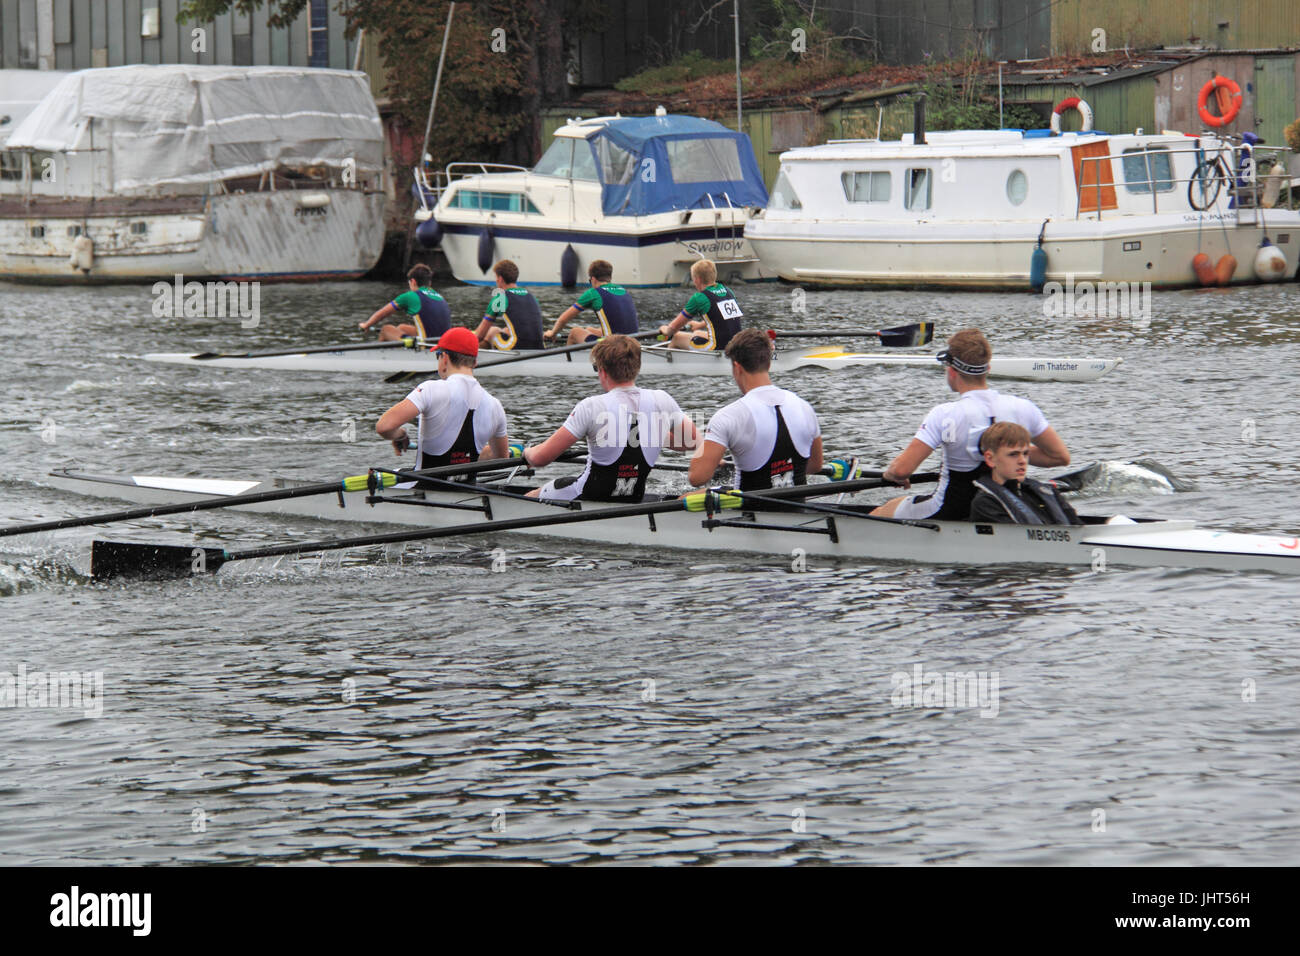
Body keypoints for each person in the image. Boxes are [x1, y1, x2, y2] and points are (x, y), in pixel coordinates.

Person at [872, 328, 1070, 519]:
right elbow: (1059, 457)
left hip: (950, 510)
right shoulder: (1023, 408)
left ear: (951, 371)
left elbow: (902, 470)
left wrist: (892, 475)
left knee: (882, 511)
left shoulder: (944, 414)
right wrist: (1009, 452)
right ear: (988, 369)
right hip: (1004, 507)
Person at [520, 334, 698, 502]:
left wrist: (527, 452)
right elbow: (692, 443)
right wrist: (647, 433)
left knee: (529, 496)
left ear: (603, 371)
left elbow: (540, 459)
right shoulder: (663, 399)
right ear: (637, 367)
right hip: (632, 498)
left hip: (588, 495)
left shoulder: (591, 406)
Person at [688, 328, 823, 490]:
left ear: (737, 367)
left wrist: (707, 448)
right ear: (769, 362)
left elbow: (697, 477)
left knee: (685, 498)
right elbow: (816, 466)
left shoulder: (728, 416)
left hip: (748, 512)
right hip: (800, 511)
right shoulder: (804, 407)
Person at [374, 327, 509, 482]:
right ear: (475, 363)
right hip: (466, 494)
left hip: (424, 489)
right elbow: (500, 457)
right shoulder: (495, 405)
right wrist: (463, 458)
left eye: (437, 356)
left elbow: (384, 427)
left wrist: (400, 435)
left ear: (444, 358)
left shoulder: (430, 389)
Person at [969, 422, 1082, 525]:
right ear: (990, 459)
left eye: (1025, 454)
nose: (1022, 461)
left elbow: (1078, 528)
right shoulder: (985, 504)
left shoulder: (1049, 491)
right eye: (1013, 454)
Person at [545, 259, 639, 345]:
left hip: (613, 347)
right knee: (589, 330)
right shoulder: (622, 290)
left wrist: (552, 333)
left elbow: (563, 319)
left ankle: (569, 362)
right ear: (609, 277)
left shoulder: (593, 293)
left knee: (575, 332)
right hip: (633, 343)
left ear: (593, 279)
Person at [658, 259, 744, 351]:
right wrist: (700, 324)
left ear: (698, 279)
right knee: (697, 333)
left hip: (718, 347)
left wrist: (664, 330)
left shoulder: (700, 298)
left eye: (693, 278)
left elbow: (673, 328)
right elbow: (726, 317)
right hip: (735, 344)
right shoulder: (728, 291)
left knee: (676, 337)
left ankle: (668, 361)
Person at [359, 264, 451, 342]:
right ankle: (404, 344)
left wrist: (366, 325)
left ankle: (380, 359)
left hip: (426, 345)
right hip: (441, 344)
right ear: (429, 283)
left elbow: (382, 313)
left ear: (413, 282)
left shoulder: (410, 296)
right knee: (402, 328)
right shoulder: (440, 297)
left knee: (385, 330)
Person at [472, 259, 545, 351]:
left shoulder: (500, 297)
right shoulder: (530, 295)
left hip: (517, 347)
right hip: (539, 347)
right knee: (504, 330)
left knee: (492, 331)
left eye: (496, 278)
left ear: (500, 279)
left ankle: (470, 358)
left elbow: (480, 335)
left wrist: (465, 344)